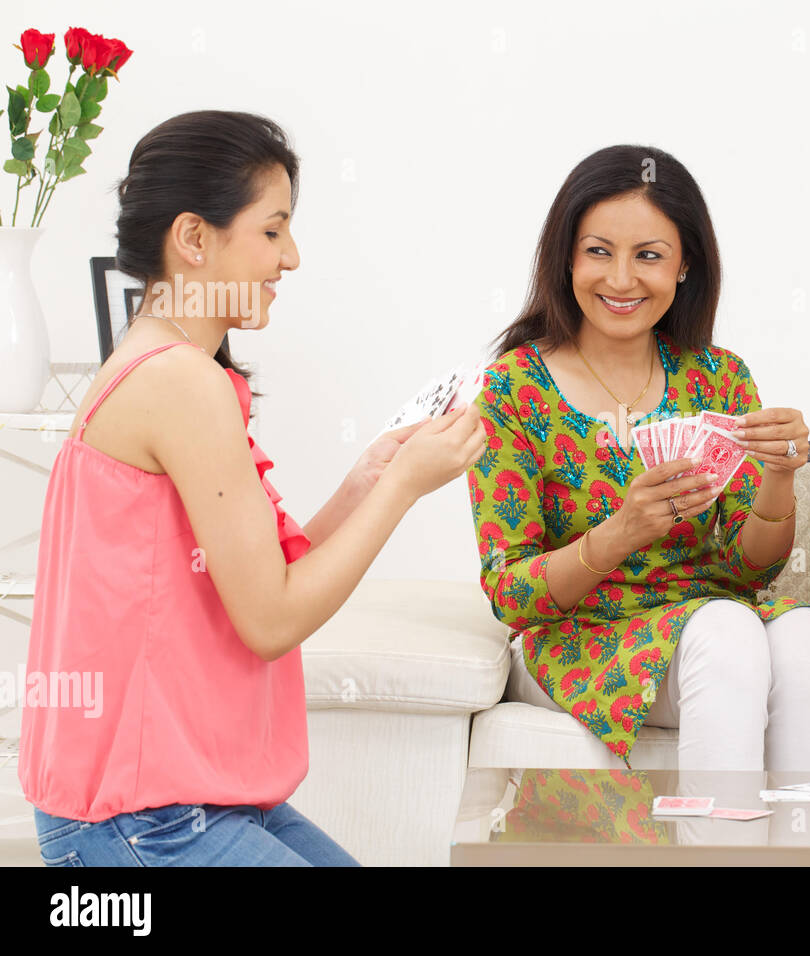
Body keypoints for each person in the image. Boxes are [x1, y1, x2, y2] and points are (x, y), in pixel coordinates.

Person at [20, 111, 486, 866]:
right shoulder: (179, 384)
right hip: (140, 822)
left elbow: (260, 575)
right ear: (194, 239)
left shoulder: (169, 369)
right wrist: (403, 488)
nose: (291, 258)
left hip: (183, 806)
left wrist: (367, 481)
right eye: (272, 232)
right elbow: (271, 619)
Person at [470, 144, 810, 776]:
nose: (621, 280)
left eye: (648, 256)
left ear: (683, 267)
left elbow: (749, 570)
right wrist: (621, 532)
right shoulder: (515, 387)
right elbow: (511, 595)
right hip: (579, 637)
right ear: (565, 257)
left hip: (712, 621)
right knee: (726, 633)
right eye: (598, 251)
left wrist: (780, 478)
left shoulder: (720, 377)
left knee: (809, 639)